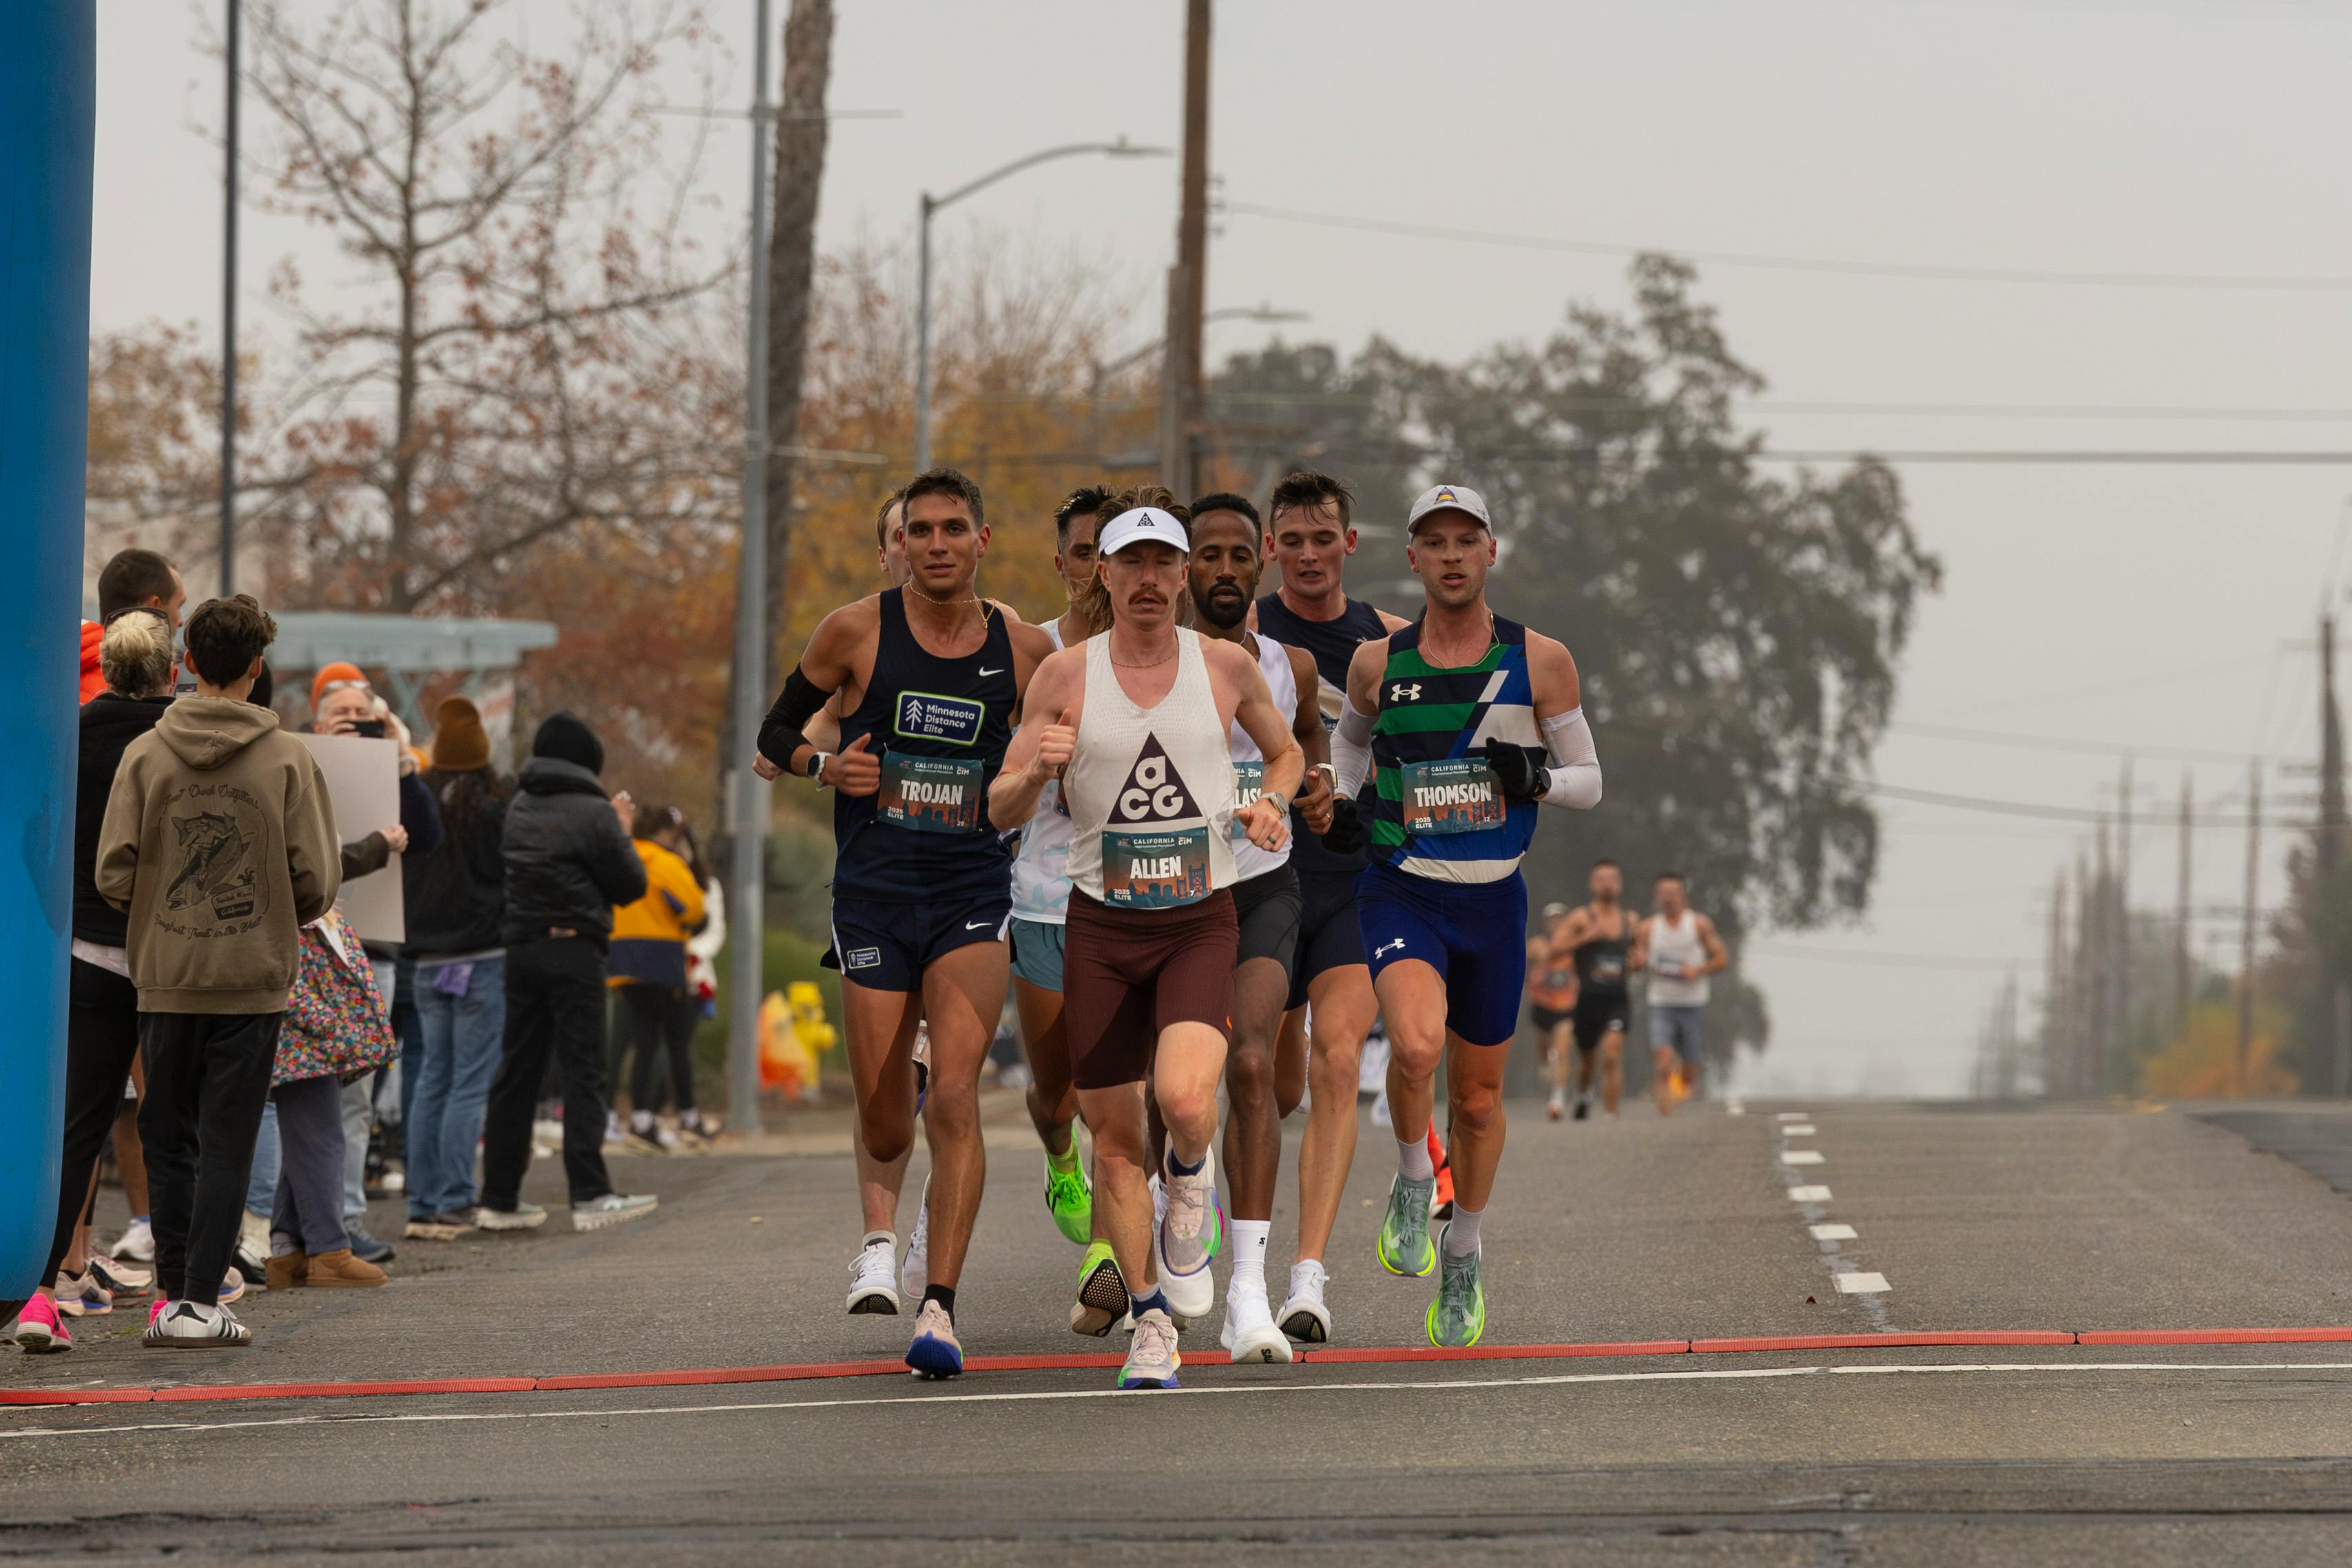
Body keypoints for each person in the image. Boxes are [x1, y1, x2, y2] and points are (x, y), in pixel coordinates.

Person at [992, 499, 1303, 1390]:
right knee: (1114, 1140)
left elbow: (1283, 757)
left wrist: (1269, 805)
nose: (1148, 580)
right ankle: (1149, 1322)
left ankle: (1192, 1173)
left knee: (1185, 1100)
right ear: (1103, 574)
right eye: (1129, 563)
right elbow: (999, 808)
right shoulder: (1062, 674)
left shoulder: (1221, 666)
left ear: (1180, 576)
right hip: (1098, 925)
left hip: (1196, 921)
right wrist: (1036, 771)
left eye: (1163, 563)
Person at [755, 467, 1057, 1378]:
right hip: (874, 894)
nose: (935, 544)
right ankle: (888, 1192)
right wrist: (820, 769)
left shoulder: (1022, 647)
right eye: (919, 529)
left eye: (951, 528)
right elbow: (774, 737)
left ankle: (940, 1305)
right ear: (900, 542)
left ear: (980, 540)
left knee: (958, 1099)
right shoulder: (852, 631)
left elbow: (1064, 752)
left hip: (971, 888)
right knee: (887, 1119)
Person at [1329, 482, 1602, 1348]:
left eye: (1465, 540)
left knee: (1478, 1103)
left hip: (1495, 902)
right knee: (1412, 1046)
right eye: (1432, 542)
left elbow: (1590, 781)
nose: (1450, 556)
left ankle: (1465, 1251)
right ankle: (1414, 1175)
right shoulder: (1378, 661)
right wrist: (1339, 797)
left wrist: (1541, 782)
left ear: (1491, 553)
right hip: (1402, 884)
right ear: (1410, 557)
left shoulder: (1541, 660)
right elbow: (1347, 742)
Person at [94, 595, 342, 1348]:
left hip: (167, 975)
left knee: (168, 1134)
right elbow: (317, 880)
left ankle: (167, 1298)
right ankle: (205, 1300)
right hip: (254, 973)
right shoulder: (290, 757)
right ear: (258, 668)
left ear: (188, 663)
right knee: (230, 1136)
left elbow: (113, 871)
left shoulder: (145, 754)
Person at [1251, 470, 1411, 1346]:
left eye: (1324, 539)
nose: (1308, 555)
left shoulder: (1389, 644)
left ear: (1351, 544)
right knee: (1266, 1088)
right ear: (1272, 548)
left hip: (1355, 884)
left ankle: (1306, 1276)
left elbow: (1430, 752)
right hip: (1260, 882)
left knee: (1340, 1062)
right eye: (1292, 540)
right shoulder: (1241, 639)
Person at [1185, 492, 1330, 1362]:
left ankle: (1248, 1294)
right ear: (1182, 568)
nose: (1227, 571)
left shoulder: (1291, 665)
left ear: (1264, 559)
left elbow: (1305, 744)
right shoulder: (1143, 663)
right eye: (1210, 556)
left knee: (1250, 1064)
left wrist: (1306, 790)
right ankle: (1177, 1219)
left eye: (1242, 555)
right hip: (1167, 893)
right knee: (1174, 1091)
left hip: (1263, 888)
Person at [14, 611, 178, 1352]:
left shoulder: (72, 736)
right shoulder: (181, 740)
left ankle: (42, 1294)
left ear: (106, 670)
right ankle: (177, 1291)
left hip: (86, 947)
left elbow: (36, 836)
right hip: (172, 953)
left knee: (79, 1127)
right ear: (169, 671)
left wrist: (62, 913)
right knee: (172, 1123)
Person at [1003, 485, 1119, 1331]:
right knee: (1057, 1095)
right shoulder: (1033, 653)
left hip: (1141, 894)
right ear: (1064, 563)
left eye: (1108, 555)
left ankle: (1111, 1256)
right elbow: (998, 787)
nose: (1095, 572)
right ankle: (1057, 1160)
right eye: (1082, 554)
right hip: (1045, 891)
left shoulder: (1167, 653)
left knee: (1126, 1092)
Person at [475, 713, 658, 1232]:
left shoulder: (519, 805)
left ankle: (499, 1197)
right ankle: (590, 1193)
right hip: (576, 951)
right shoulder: (596, 812)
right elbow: (630, 884)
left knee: (517, 1072)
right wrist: (621, 829)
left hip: (522, 951)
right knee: (584, 1070)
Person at [311, 666, 443, 1264]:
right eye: (341, 714)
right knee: (297, 1092)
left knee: (358, 1095)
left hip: (376, 947)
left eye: (363, 714)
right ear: (316, 718)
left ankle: (345, 1220)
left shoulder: (394, 767)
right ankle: (294, 1225)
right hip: (310, 944)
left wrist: (398, 750)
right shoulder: (295, 759)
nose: (353, 724)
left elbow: (430, 835)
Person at [400, 696, 510, 1240]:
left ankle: (421, 1201)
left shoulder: (417, 801)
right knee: (469, 1081)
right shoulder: (497, 803)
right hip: (481, 958)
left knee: (430, 1078)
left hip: (425, 960)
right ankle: (457, 1197)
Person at [607, 802, 709, 1150]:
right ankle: (686, 1116)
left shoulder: (622, 857)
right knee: (675, 1041)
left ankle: (640, 1117)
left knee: (642, 1042)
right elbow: (694, 907)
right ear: (666, 832)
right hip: (662, 958)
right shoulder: (666, 862)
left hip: (622, 957)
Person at [1641, 872, 1728, 1114]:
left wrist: (1699, 970)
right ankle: (1666, 1110)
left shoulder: (1698, 925)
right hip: (1662, 1002)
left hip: (1692, 1003)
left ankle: (1683, 1082)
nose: (1669, 899)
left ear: (1683, 897)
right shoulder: (1648, 928)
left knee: (1690, 1067)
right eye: (1663, 894)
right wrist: (1638, 962)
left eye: (1673, 893)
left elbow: (1722, 958)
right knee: (1663, 1057)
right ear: (1657, 898)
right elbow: (1635, 959)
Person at [1557, 862, 1636, 1120]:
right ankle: (1583, 1093)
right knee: (1588, 1061)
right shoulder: (1582, 918)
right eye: (1601, 879)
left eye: (1612, 879)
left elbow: (1638, 952)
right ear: (1592, 884)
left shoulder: (1629, 920)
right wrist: (1587, 937)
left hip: (1618, 998)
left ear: (1620, 884)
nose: (1607, 884)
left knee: (1612, 1054)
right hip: (1588, 999)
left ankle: (1610, 1116)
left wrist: (1638, 960)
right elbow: (1554, 950)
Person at [79, 547, 185, 705]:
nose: (181, 620)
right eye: (179, 606)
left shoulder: (57, 668)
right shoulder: (140, 699)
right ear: (154, 608)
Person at [1525, 902, 1579, 1120]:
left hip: (1566, 1006)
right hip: (1542, 1005)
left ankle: (1557, 1099)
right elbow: (1522, 958)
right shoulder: (1537, 944)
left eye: (1560, 919)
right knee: (1545, 1052)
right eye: (1552, 919)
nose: (1556, 923)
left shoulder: (1575, 946)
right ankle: (1546, 1068)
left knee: (1562, 1052)